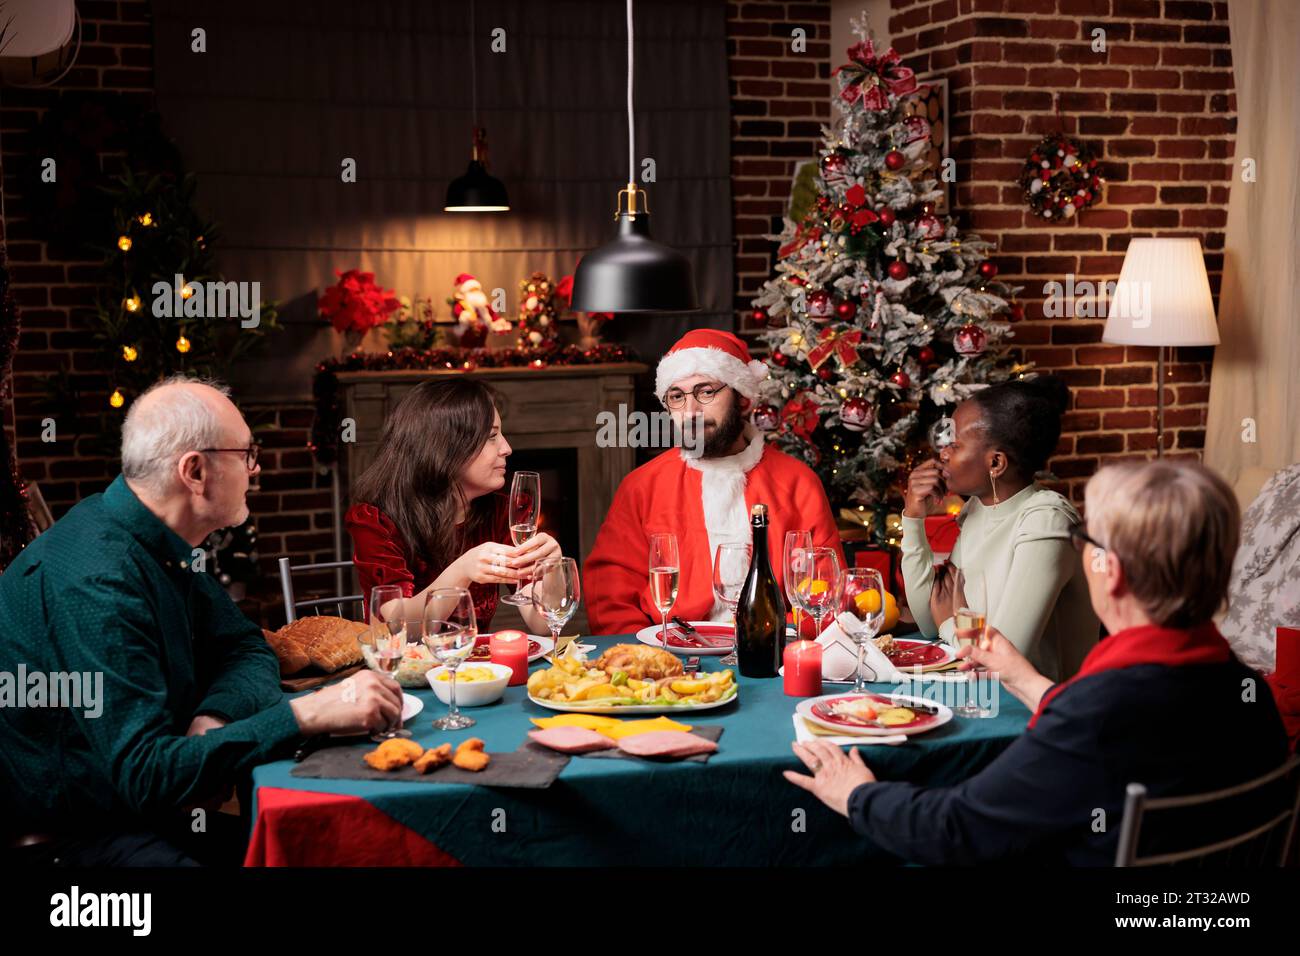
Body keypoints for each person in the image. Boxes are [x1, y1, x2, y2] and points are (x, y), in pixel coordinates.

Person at [785, 461, 1291, 865]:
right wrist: (1025, 678)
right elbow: (1116, 740)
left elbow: (953, 831)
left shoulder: (1097, 716)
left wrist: (856, 795)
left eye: (1086, 543)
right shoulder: (1246, 691)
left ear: (1109, 572)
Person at [0, 377, 404, 866]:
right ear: (195, 471)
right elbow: (148, 777)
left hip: (148, 807)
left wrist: (212, 720)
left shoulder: (155, 539)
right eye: (246, 454)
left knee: (340, 846)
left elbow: (246, 646)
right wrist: (309, 713)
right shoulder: (100, 580)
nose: (256, 469)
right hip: (84, 836)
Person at [584, 329, 844, 634]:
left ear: (744, 400)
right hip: (669, 659)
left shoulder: (799, 483)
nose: (691, 412)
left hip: (773, 654)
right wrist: (646, 659)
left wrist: (767, 635)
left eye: (706, 392)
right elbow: (609, 595)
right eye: (677, 397)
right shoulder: (641, 487)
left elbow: (827, 598)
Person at [901, 376, 1098, 682]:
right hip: (986, 694)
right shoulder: (978, 508)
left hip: (1046, 712)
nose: (942, 454)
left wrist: (948, 625)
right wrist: (914, 518)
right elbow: (929, 619)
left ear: (995, 463)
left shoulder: (1046, 522)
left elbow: (1004, 660)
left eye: (954, 445)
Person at [345, 378, 559, 633]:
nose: (507, 448)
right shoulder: (377, 520)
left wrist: (553, 570)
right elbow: (397, 629)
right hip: (407, 669)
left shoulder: (504, 512)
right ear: (446, 447)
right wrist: (462, 570)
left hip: (477, 670)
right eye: (492, 436)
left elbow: (542, 625)